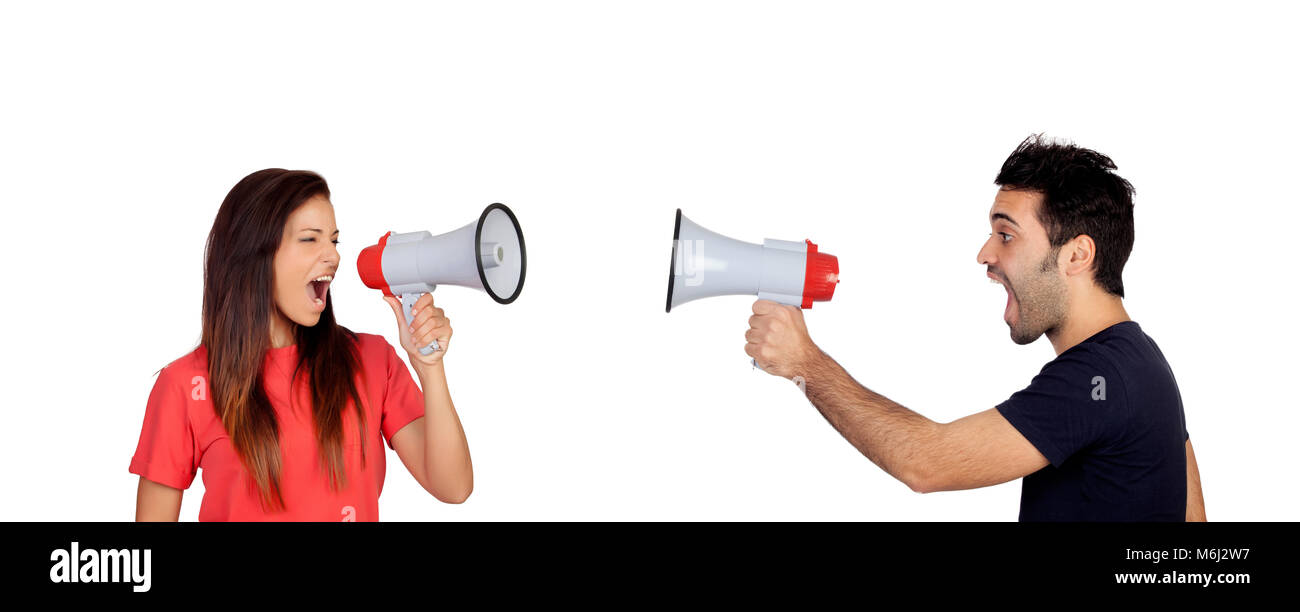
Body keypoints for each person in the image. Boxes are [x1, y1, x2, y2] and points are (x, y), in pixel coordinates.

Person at [745, 134, 1206, 521]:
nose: (985, 254)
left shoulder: (1095, 379)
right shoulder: (1144, 361)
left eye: (1006, 234)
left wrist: (805, 362)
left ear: (1077, 255)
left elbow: (924, 463)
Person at [130, 168, 472, 521]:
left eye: (334, 241)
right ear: (254, 255)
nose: (334, 257)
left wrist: (430, 368)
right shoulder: (185, 385)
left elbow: (454, 487)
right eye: (311, 239)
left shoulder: (372, 361)